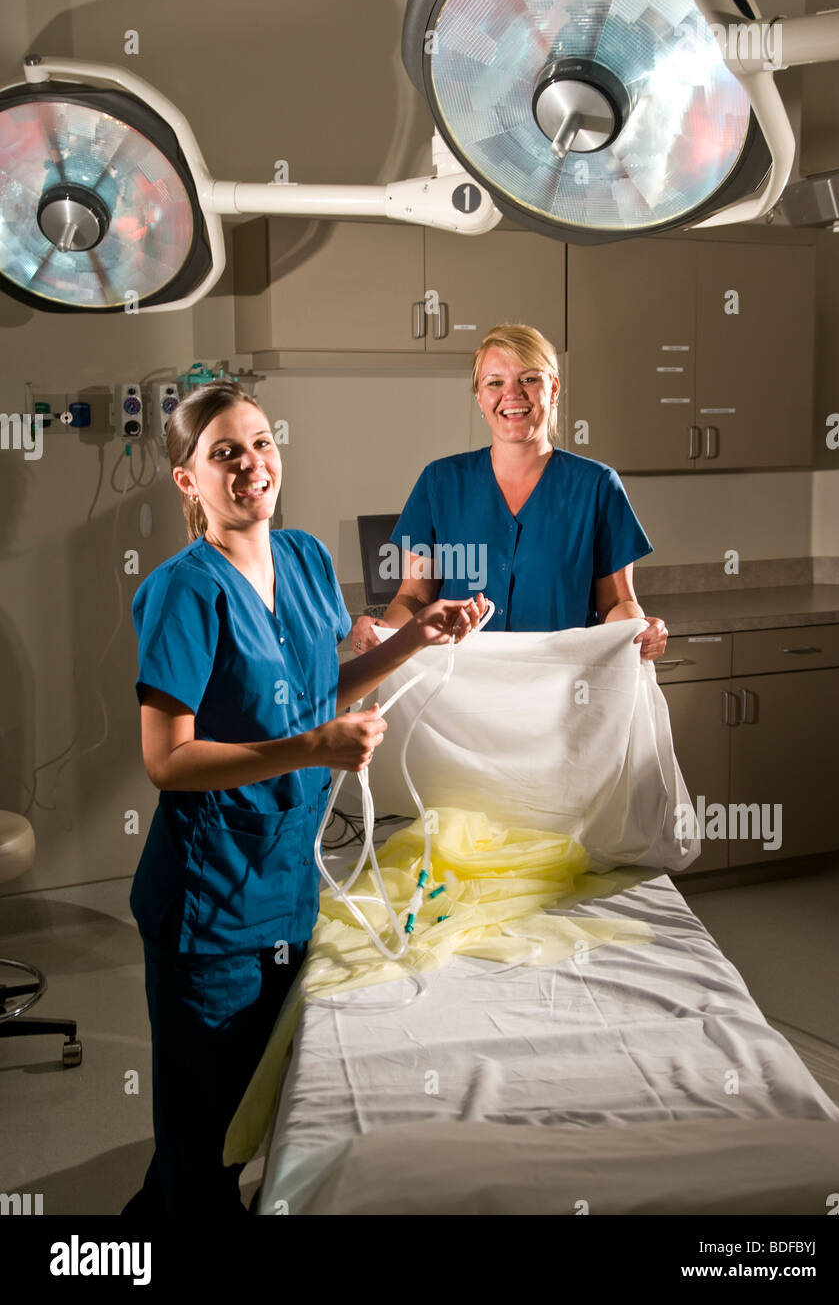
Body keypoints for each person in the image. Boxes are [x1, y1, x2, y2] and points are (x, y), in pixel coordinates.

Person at [121, 381, 483, 1217]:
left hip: (287, 879)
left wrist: (413, 640)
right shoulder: (184, 590)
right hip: (209, 899)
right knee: (201, 1132)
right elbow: (166, 763)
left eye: (260, 443)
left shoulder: (308, 560)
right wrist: (311, 749)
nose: (252, 464)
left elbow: (319, 686)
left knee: (255, 1107)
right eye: (225, 453)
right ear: (188, 482)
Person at [352, 322, 667, 658]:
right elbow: (413, 597)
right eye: (495, 383)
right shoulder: (439, 482)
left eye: (529, 379)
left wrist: (639, 629)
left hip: (562, 686)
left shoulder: (597, 486)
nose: (512, 394)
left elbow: (617, 603)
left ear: (554, 388)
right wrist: (384, 631)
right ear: (479, 396)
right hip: (460, 687)